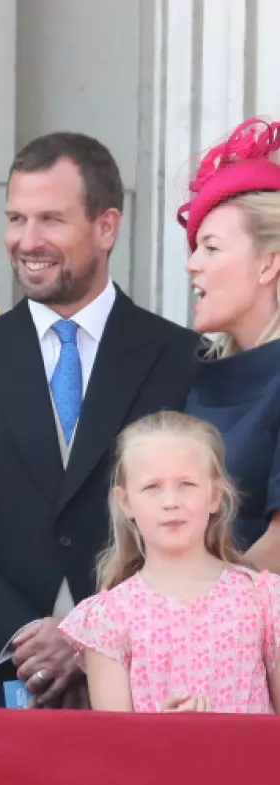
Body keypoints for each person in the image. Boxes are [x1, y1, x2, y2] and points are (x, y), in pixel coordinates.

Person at [0, 131, 201, 709]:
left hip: (147, 686)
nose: (26, 241)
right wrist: (21, 635)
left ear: (106, 227)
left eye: (51, 220)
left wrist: (92, 633)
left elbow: (196, 527)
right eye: (16, 218)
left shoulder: (181, 359)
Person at [59, 412, 280, 713]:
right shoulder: (107, 618)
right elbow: (114, 745)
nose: (171, 501)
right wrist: (168, 734)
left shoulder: (264, 599)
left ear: (215, 495)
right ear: (126, 504)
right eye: (152, 487)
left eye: (187, 484)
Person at [180, 117, 280, 571]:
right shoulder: (197, 376)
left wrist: (184, 612)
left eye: (212, 248)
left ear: (267, 264)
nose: (192, 265)